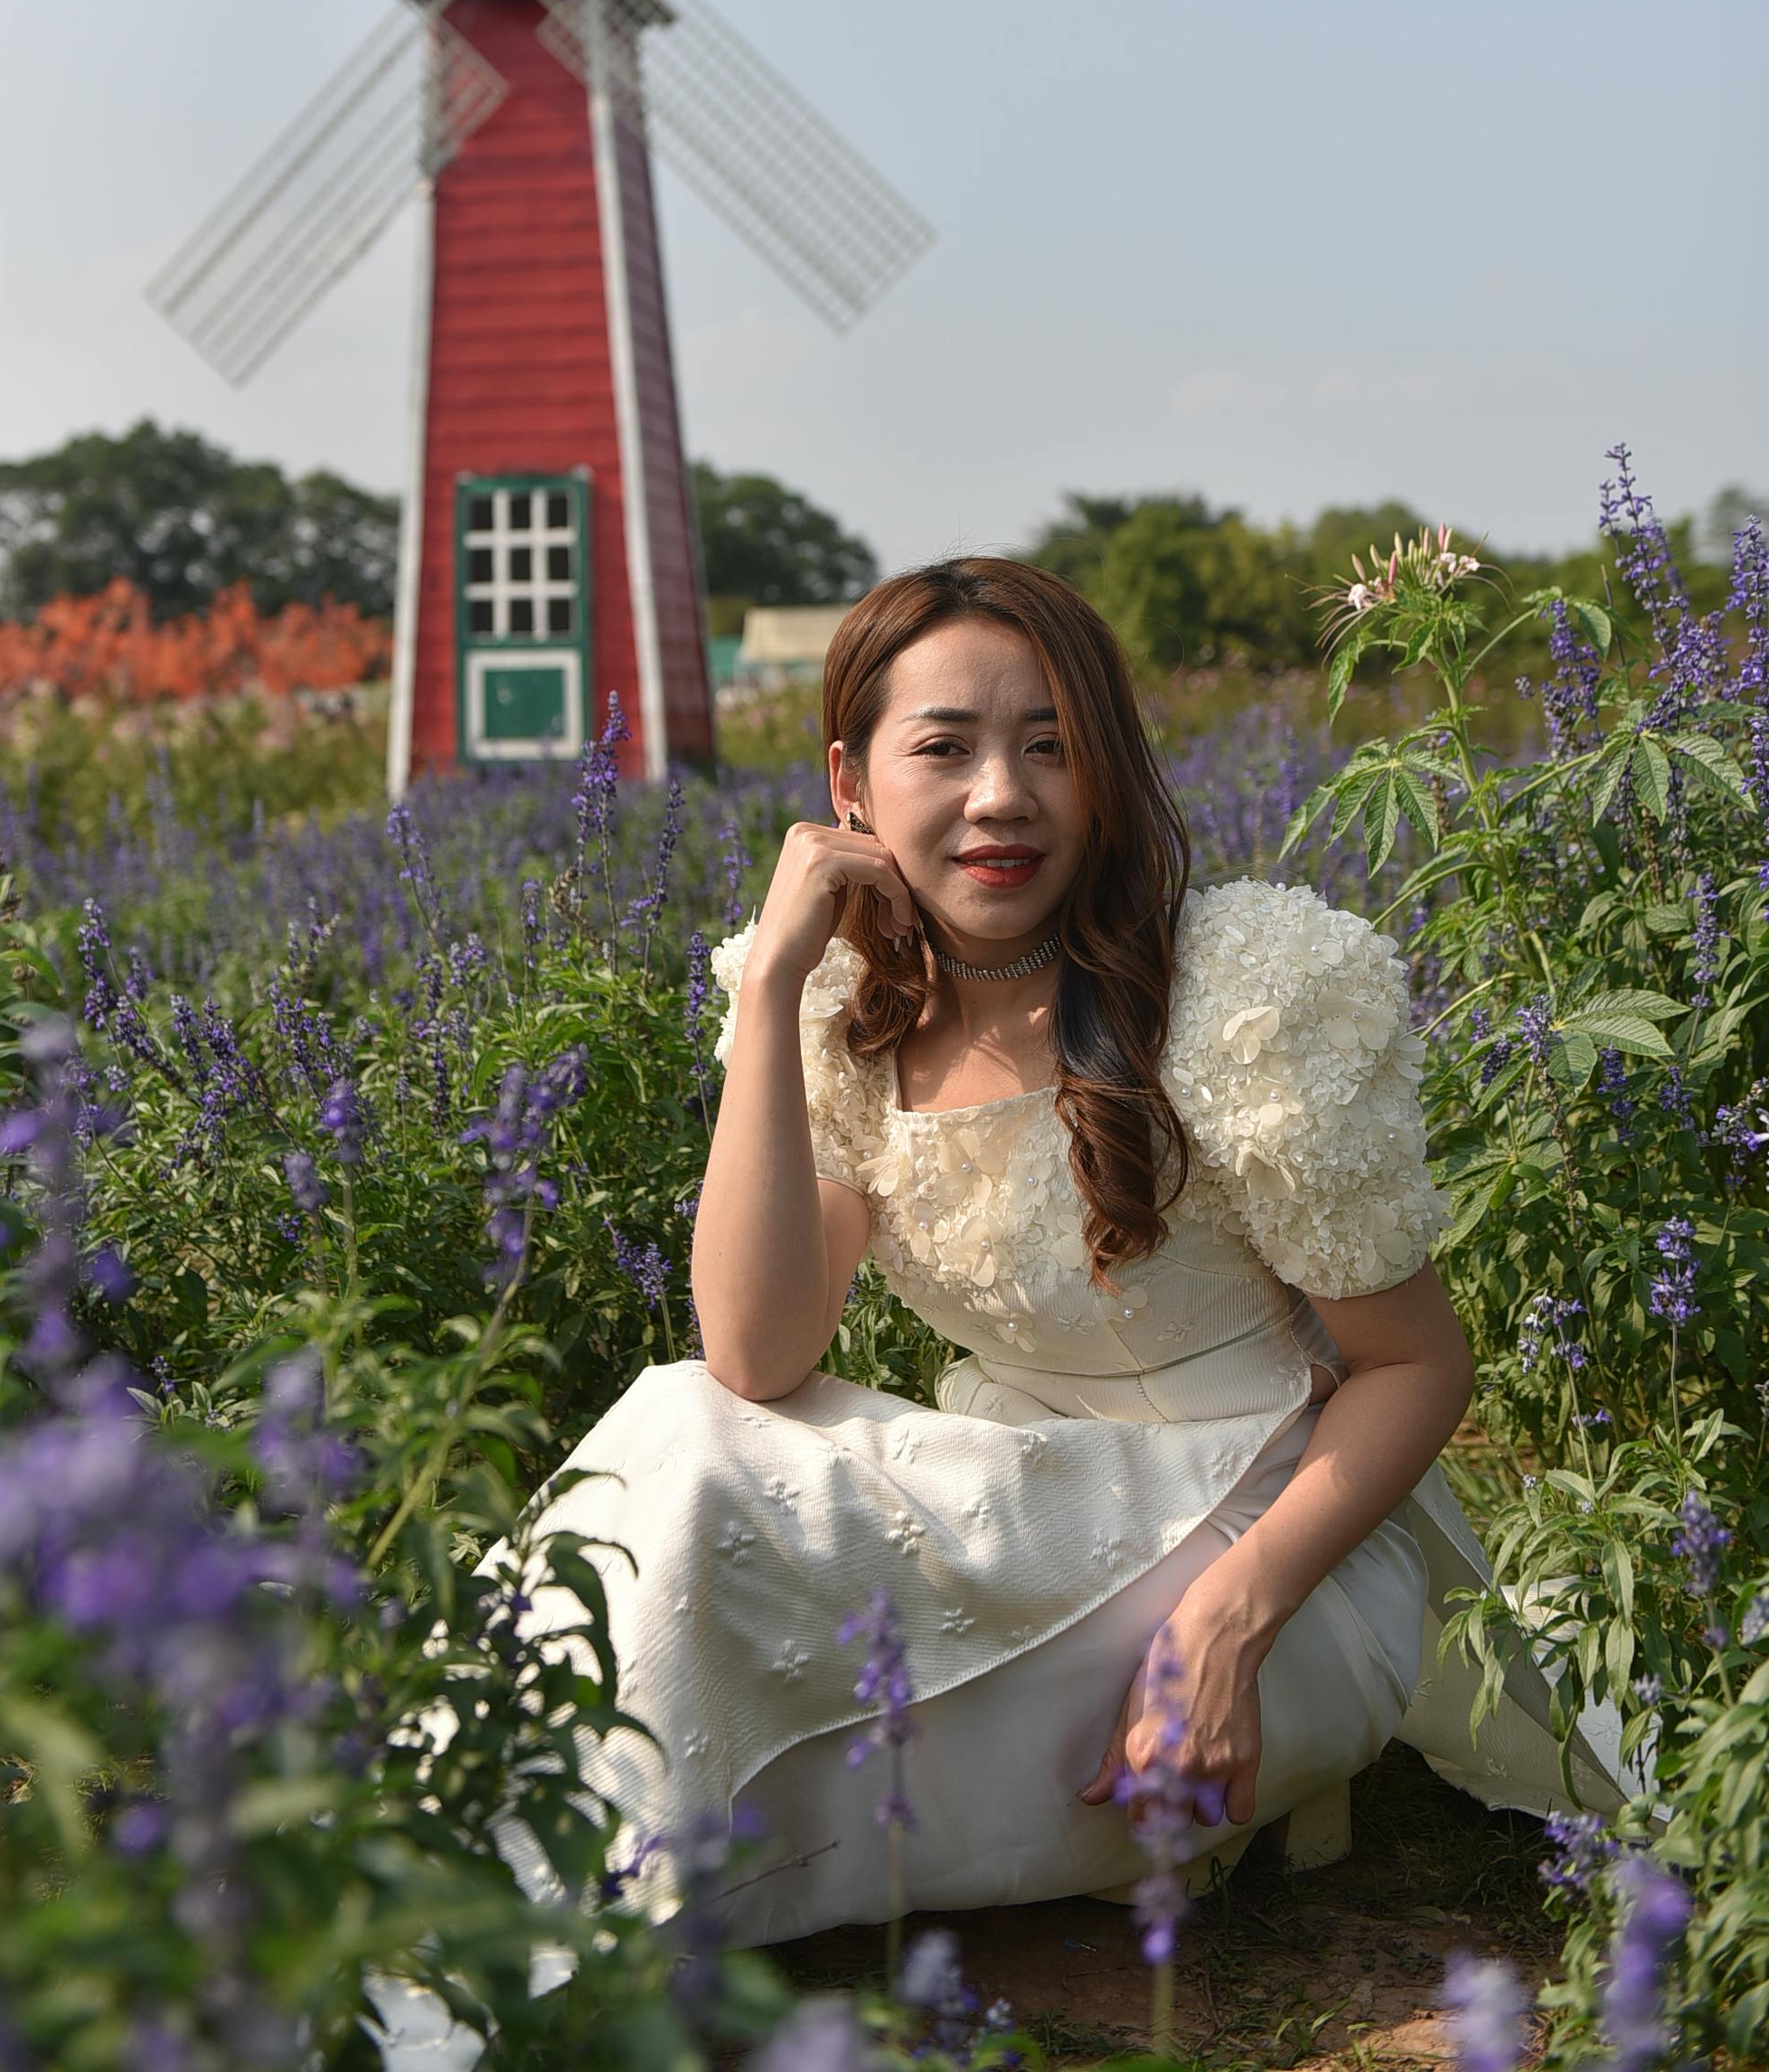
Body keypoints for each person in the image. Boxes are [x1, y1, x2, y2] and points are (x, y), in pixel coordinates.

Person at [501, 558, 1626, 1945]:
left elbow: (1415, 1366)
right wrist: (778, 984)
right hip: (1019, 1509)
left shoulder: (1241, 994)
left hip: (1268, 1544)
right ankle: (465, 1870)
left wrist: (1230, 1619)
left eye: (1050, 746)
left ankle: (558, 1927)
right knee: (676, 1430)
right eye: (945, 748)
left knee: (809, 1729)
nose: (1001, 796)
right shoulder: (840, 1004)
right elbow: (754, 1351)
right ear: (847, 786)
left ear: (1106, 774)